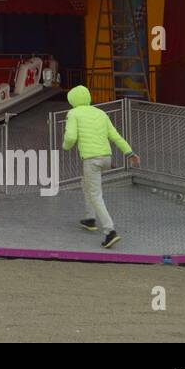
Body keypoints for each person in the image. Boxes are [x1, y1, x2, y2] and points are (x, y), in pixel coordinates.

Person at [61, 84, 140, 248]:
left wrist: (65, 147)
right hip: (106, 158)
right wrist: (130, 153)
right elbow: (116, 136)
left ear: (73, 100)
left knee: (96, 195)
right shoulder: (101, 113)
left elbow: (70, 137)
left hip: (92, 160)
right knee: (86, 184)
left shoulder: (73, 113)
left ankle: (110, 231)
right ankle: (90, 219)